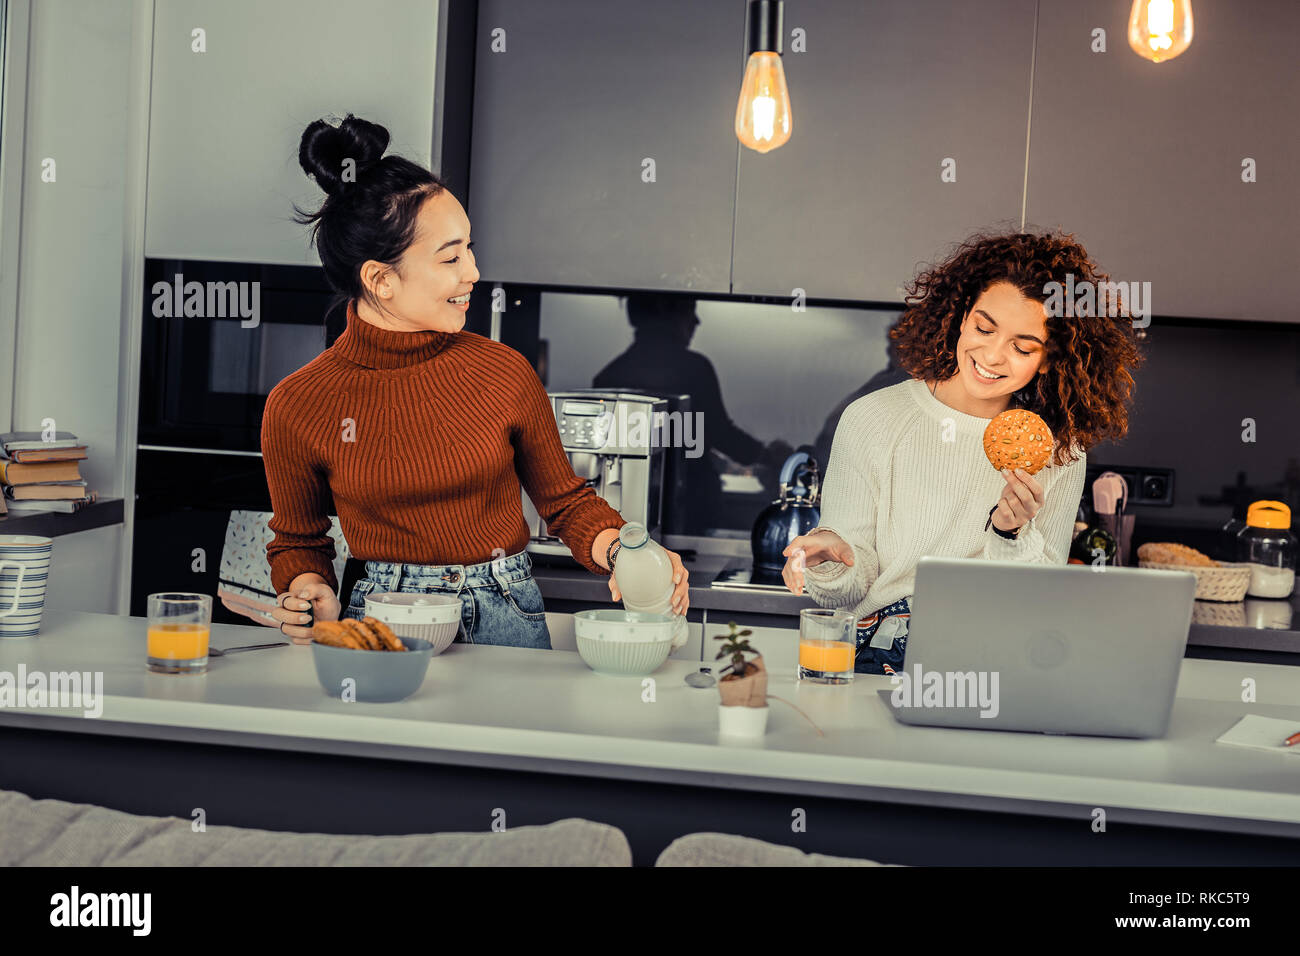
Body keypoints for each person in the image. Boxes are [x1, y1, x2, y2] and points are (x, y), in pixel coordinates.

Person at [264, 114, 689, 647]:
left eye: (469, 248)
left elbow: (565, 502)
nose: (473, 272)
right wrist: (309, 589)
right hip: (379, 622)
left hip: (504, 612)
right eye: (450, 257)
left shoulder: (502, 371)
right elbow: (298, 540)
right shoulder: (299, 403)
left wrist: (621, 550)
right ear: (380, 280)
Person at [781, 230, 1144, 674]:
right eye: (983, 327)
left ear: (1048, 359)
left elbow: (1039, 603)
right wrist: (829, 556)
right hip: (876, 666)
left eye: (1022, 347)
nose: (992, 355)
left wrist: (1010, 534)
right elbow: (851, 592)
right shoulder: (871, 419)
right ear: (961, 316)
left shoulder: (1058, 453)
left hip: (995, 669)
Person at [593, 292, 790, 531]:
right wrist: (769, 456)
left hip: (627, 509)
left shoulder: (607, 376)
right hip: (691, 506)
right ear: (665, 314)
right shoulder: (695, 368)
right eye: (689, 310)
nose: (696, 321)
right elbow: (720, 433)